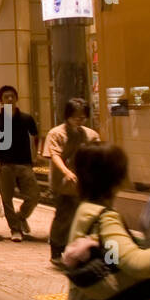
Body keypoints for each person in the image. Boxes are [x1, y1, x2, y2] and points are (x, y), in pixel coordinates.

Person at [65, 143, 150, 300]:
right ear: (117, 176)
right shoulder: (105, 219)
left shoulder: (86, 209)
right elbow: (136, 264)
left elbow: (112, 256)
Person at [43, 98, 100, 267]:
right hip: (63, 185)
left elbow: (97, 155)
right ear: (67, 116)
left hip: (85, 184)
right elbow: (55, 156)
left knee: (84, 218)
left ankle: (78, 251)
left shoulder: (91, 135)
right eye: (75, 117)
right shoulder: (56, 133)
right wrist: (66, 172)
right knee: (63, 216)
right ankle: (56, 250)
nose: (79, 120)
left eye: (83, 117)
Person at [0, 85, 41, 242]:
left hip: (25, 163)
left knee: (34, 195)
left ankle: (21, 216)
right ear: (1, 101)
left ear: (17, 98)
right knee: (7, 199)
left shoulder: (27, 118)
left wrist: (35, 154)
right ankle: (15, 229)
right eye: (6, 97)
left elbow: (36, 136)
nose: (10, 99)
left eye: (12, 96)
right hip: (5, 164)